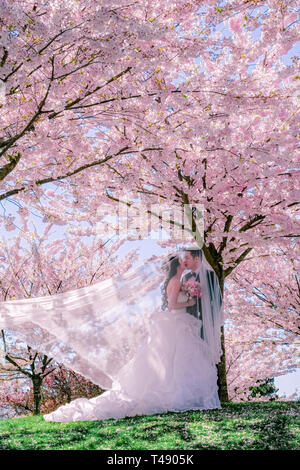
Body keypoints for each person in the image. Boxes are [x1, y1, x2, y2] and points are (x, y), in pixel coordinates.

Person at [0, 251, 223, 422]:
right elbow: (173, 304)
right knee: (174, 359)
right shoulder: (175, 283)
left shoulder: (178, 281)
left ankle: (182, 394)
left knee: (178, 360)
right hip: (175, 323)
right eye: (183, 261)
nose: (186, 262)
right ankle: (176, 395)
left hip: (178, 324)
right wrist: (191, 301)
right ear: (177, 266)